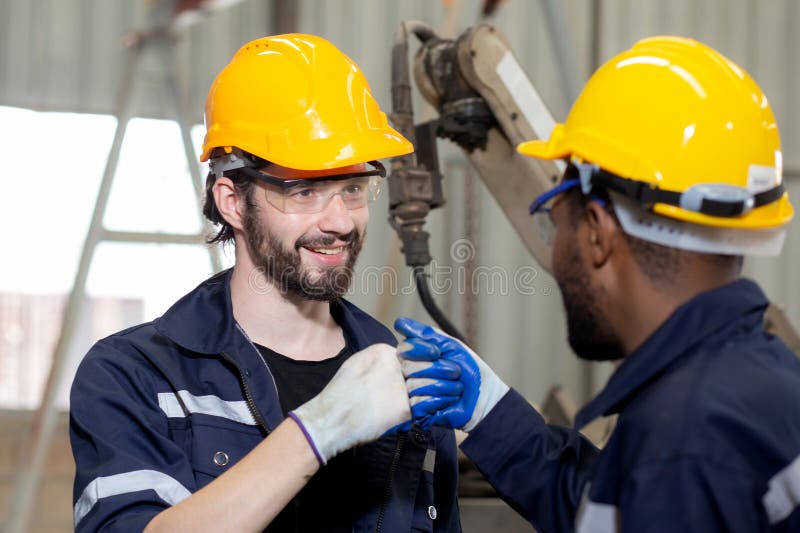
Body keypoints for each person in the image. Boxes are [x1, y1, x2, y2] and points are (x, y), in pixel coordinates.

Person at [394, 36, 800, 532]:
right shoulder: (768, 386)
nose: (557, 241)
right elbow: (607, 507)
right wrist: (491, 413)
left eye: (557, 217)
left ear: (597, 232)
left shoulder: (680, 446)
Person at [70, 34, 461, 532]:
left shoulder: (404, 384)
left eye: (353, 188)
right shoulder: (138, 376)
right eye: (304, 191)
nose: (340, 221)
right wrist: (317, 431)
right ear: (232, 200)